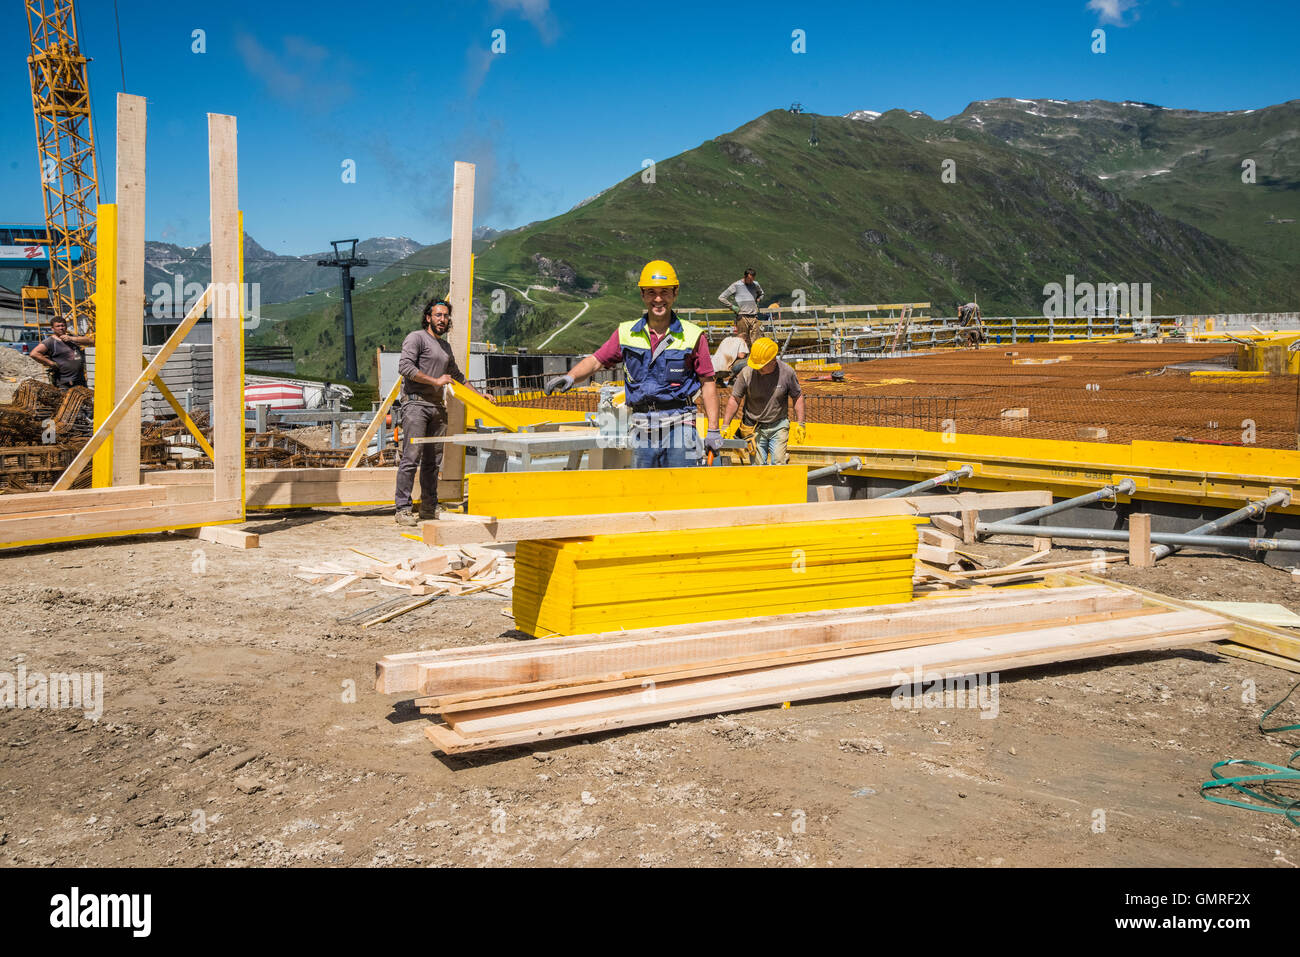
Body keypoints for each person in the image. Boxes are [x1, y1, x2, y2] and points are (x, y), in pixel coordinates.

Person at [544, 260, 721, 468]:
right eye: (651, 292)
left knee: (680, 493)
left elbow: (708, 384)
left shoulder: (692, 335)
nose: (658, 299)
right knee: (643, 493)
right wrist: (571, 377)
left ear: (675, 293)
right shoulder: (626, 333)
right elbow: (596, 360)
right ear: (642, 295)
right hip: (642, 427)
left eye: (664, 292)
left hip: (680, 427)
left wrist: (713, 430)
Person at [393, 298, 492, 526]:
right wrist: (436, 381)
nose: (442, 320)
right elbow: (405, 368)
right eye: (438, 315)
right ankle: (403, 509)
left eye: (446, 316)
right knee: (411, 457)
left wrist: (480, 395)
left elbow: (457, 376)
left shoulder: (445, 347)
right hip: (416, 405)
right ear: (428, 317)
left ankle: (429, 506)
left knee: (432, 461)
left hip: (437, 407)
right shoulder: (416, 338)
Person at [721, 337, 805, 466]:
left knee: (778, 463)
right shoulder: (747, 373)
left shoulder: (787, 373)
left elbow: (797, 397)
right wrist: (726, 425)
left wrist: (801, 423)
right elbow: (735, 399)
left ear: (773, 361)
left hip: (778, 425)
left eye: (762, 366)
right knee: (758, 466)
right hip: (754, 427)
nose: (758, 369)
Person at [30, 316, 92, 389]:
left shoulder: (72, 337)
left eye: (63, 325)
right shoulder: (50, 341)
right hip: (64, 383)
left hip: (80, 380)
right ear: (52, 328)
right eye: (58, 326)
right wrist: (51, 363)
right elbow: (34, 354)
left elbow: (90, 341)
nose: (61, 328)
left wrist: (71, 338)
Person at [718, 268, 765, 346]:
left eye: (753, 279)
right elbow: (721, 297)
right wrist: (732, 307)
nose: (751, 281)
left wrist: (759, 299)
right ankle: (742, 357)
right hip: (742, 316)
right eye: (749, 279)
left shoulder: (755, 284)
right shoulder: (736, 285)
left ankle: (753, 357)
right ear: (745, 277)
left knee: (756, 341)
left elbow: (762, 293)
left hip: (754, 316)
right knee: (742, 340)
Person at [710, 321, 750, 387]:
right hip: (725, 371)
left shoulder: (727, 339)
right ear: (745, 339)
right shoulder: (742, 341)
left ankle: (719, 381)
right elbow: (741, 355)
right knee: (748, 361)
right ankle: (733, 380)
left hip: (713, 370)